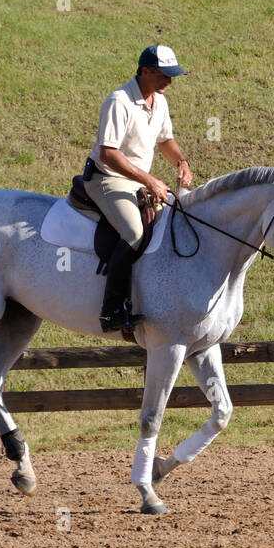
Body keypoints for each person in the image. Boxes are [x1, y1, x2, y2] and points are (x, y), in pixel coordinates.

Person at [84, 44, 194, 333]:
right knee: (134, 233)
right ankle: (112, 311)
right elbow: (108, 154)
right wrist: (150, 180)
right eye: (164, 75)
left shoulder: (159, 101)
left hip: (138, 179)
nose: (169, 82)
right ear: (145, 71)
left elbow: (165, 140)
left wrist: (181, 161)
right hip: (107, 178)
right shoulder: (118, 101)